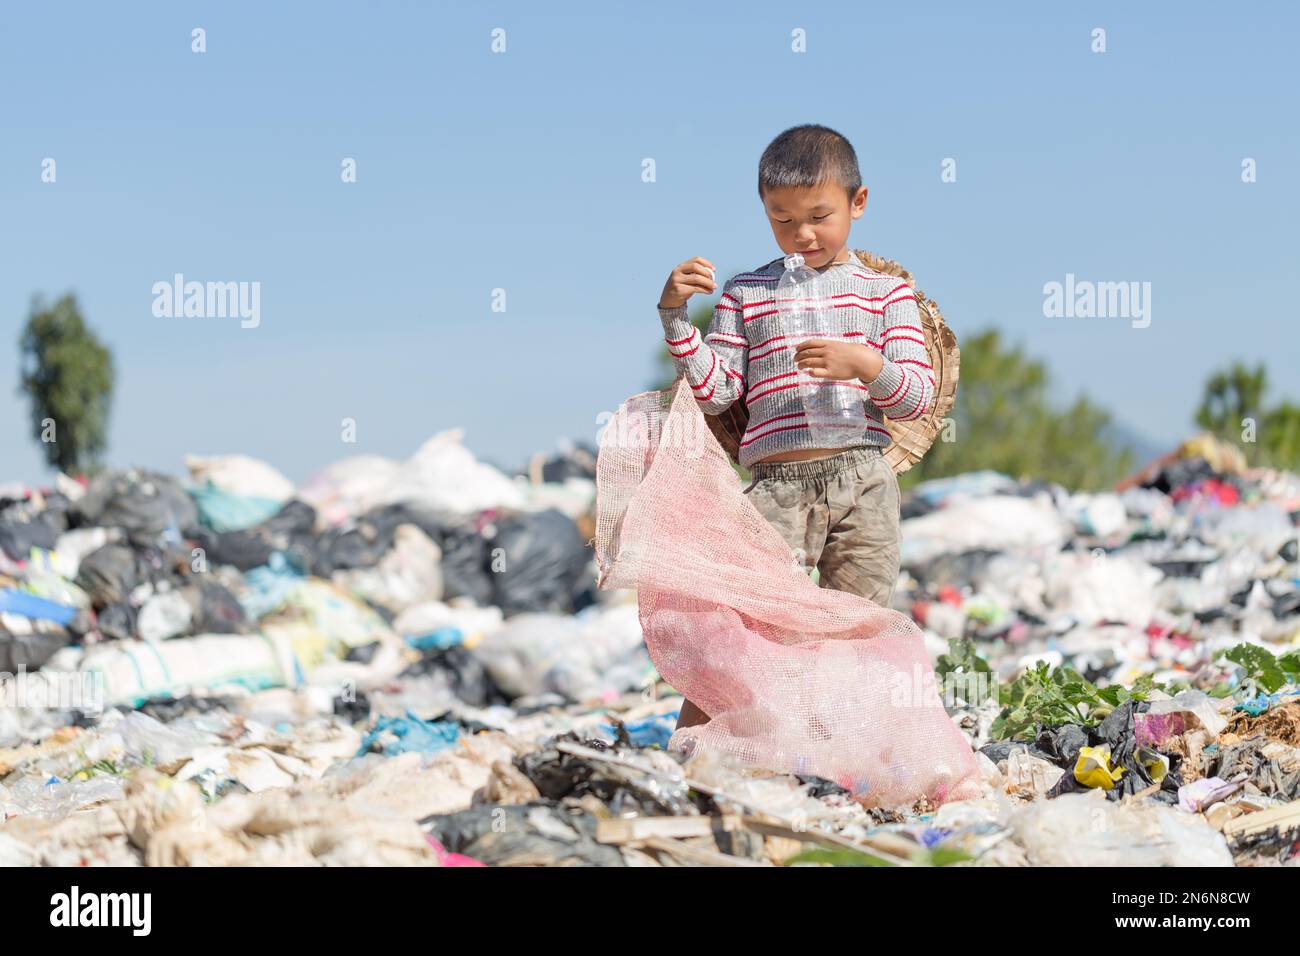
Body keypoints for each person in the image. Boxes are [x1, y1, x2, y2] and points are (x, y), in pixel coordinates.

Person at [655, 124, 936, 732]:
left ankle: (841, 748)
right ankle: (702, 752)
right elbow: (719, 392)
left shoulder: (887, 295)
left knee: (857, 626)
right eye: (782, 219)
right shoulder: (745, 294)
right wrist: (676, 319)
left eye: (819, 215)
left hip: (862, 480)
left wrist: (868, 366)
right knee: (747, 623)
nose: (802, 234)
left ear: (858, 204)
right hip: (775, 487)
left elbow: (918, 398)